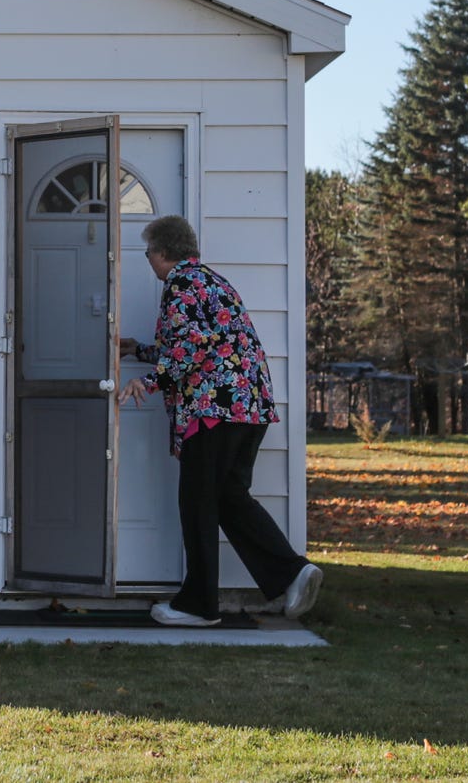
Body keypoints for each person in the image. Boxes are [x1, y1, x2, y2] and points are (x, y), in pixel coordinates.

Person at [118, 213, 323, 627]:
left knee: (197, 503)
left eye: (147, 252)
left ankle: (197, 605)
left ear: (161, 252)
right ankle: (292, 571)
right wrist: (137, 350)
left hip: (213, 412)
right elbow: (201, 344)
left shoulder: (180, 284)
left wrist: (150, 381)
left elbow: (190, 350)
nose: (148, 260)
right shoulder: (212, 282)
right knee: (228, 498)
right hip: (249, 408)